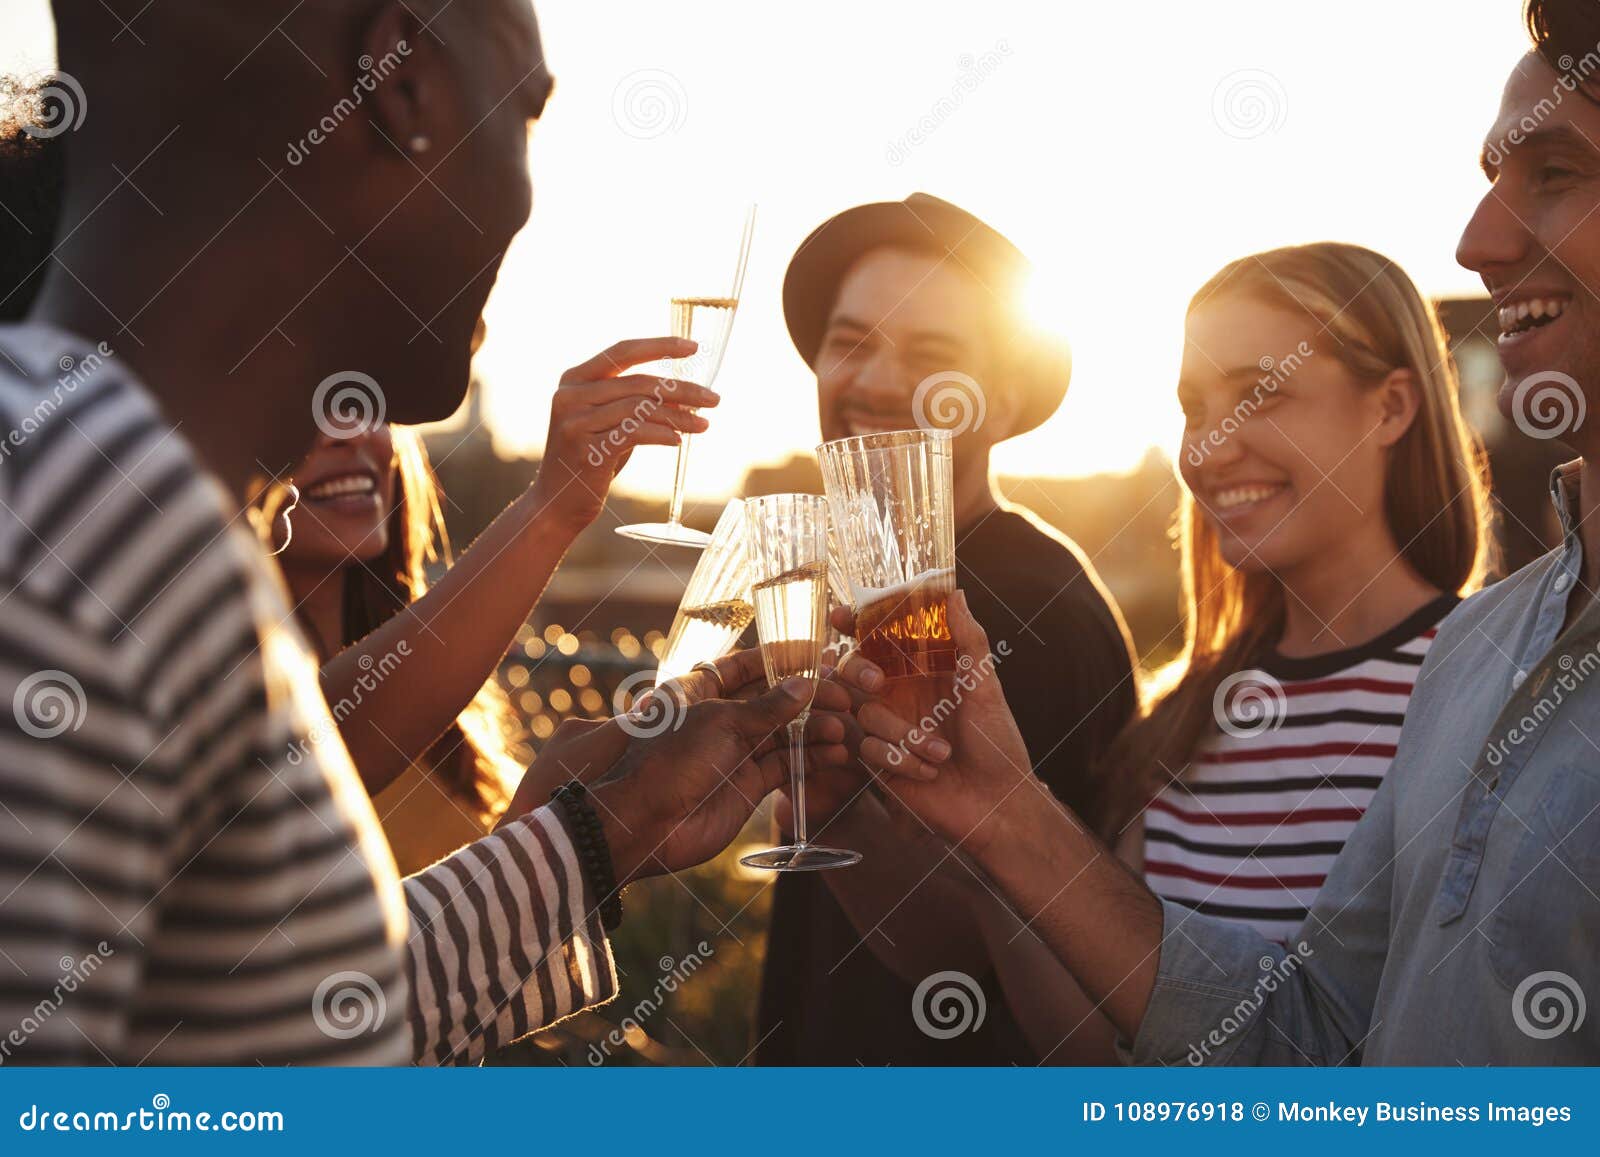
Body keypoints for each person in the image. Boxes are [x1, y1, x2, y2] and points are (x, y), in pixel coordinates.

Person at [0, 0, 851, 1065]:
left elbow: (258, 1033)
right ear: (398, 87)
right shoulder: (60, 547)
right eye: (526, 114)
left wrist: (608, 826)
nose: (526, 202)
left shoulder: (129, 535)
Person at [835, 0, 1600, 1066]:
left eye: (1260, 391)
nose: (1208, 446)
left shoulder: (1443, 668)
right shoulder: (1409, 676)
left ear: (1391, 406)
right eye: (1192, 405)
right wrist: (993, 818)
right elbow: (1258, 1052)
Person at [757, 193, 1138, 1064]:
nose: (880, 382)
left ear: (998, 404)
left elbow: (1010, 955)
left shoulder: (1025, 612)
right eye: (852, 343)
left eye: (931, 357)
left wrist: (831, 807)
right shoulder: (852, 589)